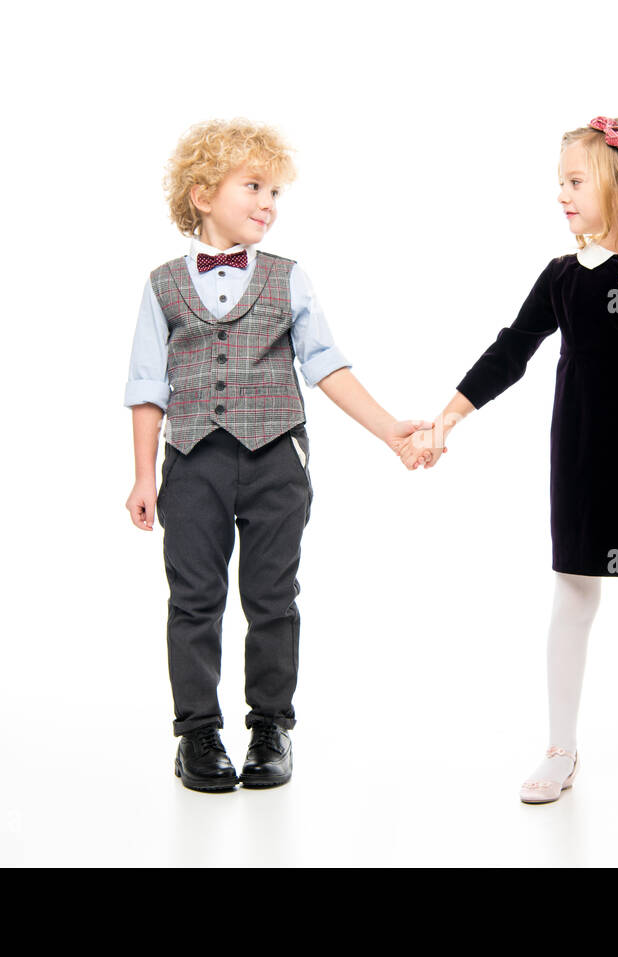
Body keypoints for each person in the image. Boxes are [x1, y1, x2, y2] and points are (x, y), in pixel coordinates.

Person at [403, 117, 618, 809]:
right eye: (560, 183)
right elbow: (512, 348)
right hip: (580, 460)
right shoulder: (562, 277)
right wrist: (450, 415)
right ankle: (560, 746)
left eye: (574, 181)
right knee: (574, 594)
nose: (562, 195)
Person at [124, 118, 428, 793]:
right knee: (194, 600)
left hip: (275, 463)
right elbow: (147, 386)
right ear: (202, 194)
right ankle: (197, 733)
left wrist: (390, 430)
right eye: (253, 186)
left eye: (275, 192)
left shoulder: (289, 279)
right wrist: (145, 476)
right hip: (192, 464)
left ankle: (270, 726)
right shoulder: (163, 284)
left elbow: (327, 365)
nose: (268, 202)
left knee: (272, 597)